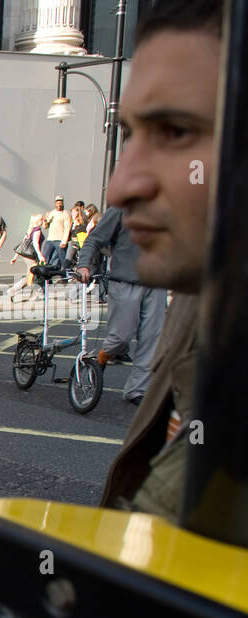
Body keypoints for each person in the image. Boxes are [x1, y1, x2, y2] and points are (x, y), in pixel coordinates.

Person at [96, 0, 221, 522]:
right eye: (126, 135)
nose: (121, 185)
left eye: (174, 131)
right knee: (129, 340)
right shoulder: (202, 294)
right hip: (129, 280)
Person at [79, 204, 168, 404]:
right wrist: (84, 264)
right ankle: (102, 357)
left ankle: (137, 390)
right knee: (120, 337)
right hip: (125, 281)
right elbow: (94, 239)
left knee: (152, 340)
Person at [41, 195, 71, 273]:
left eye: (60, 202)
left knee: (62, 258)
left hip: (59, 240)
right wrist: (45, 221)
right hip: (50, 239)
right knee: (45, 257)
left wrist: (64, 241)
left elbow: (67, 228)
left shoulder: (65, 214)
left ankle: (65, 275)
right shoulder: (52, 213)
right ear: (55, 203)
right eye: (57, 202)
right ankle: (44, 275)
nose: (59, 204)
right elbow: (45, 227)